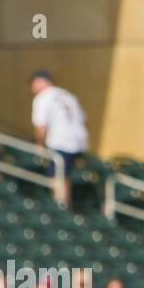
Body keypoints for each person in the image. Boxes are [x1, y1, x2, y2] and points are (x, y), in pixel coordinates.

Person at [29, 71, 88, 208]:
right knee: (65, 175)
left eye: (33, 84)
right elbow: (84, 121)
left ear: (39, 82)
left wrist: (40, 145)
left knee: (58, 176)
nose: (32, 89)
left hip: (61, 142)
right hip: (79, 142)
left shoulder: (43, 97)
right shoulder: (67, 95)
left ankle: (62, 207)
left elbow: (41, 126)